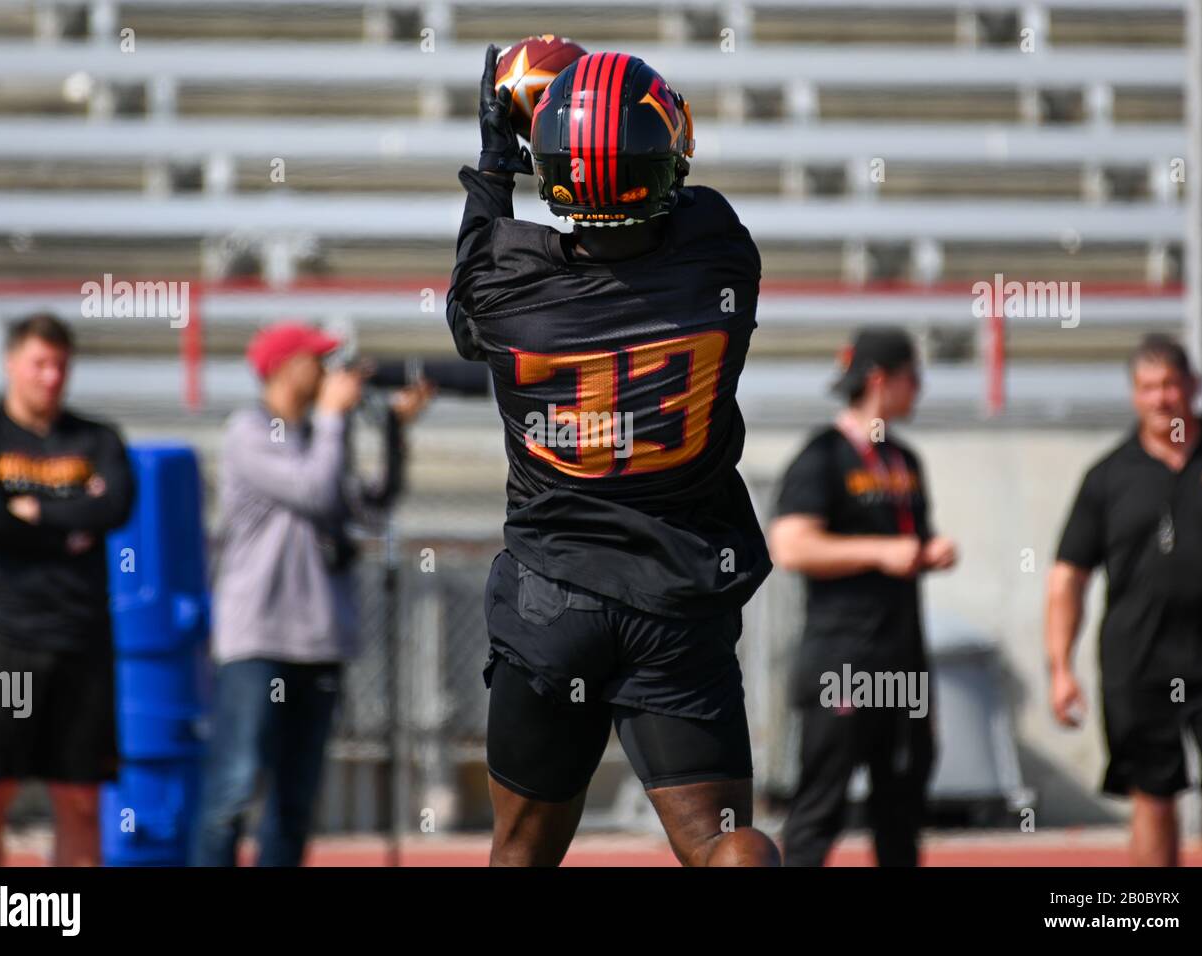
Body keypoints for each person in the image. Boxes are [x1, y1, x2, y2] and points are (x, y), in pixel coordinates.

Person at [446, 46, 779, 867]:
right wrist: (600, 123)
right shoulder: (720, 255)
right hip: (677, 595)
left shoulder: (506, 289)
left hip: (549, 600)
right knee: (724, 844)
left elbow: (467, 297)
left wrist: (500, 152)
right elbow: (672, 197)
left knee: (519, 852)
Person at [191, 323, 432, 867]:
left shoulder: (320, 438)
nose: (328, 372)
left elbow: (369, 508)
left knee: (295, 802)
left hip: (319, 641)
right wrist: (330, 417)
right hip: (259, 640)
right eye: (316, 360)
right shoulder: (248, 431)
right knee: (232, 791)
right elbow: (314, 489)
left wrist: (393, 431)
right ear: (284, 366)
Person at [0, 313, 134, 866]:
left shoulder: (96, 438)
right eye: (39, 363)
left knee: (79, 796)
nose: (51, 377)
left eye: (60, 365)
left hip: (80, 638)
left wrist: (32, 515)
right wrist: (71, 525)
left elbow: (115, 507)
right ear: (10, 364)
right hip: (0, 638)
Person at [768, 326, 957, 866]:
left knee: (902, 807)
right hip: (843, 659)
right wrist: (881, 551)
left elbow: (905, 544)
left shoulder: (903, 460)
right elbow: (791, 546)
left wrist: (927, 550)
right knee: (820, 806)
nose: (918, 388)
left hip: (903, 657)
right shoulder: (822, 455)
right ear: (880, 380)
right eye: (912, 377)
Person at [1046, 333, 1202, 866]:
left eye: (1170, 384)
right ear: (1133, 394)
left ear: (1192, 386)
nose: (1161, 398)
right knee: (1153, 796)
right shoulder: (1107, 478)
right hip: (1139, 660)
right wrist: (1060, 666)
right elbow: (1067, 578)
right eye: (1148, 387)